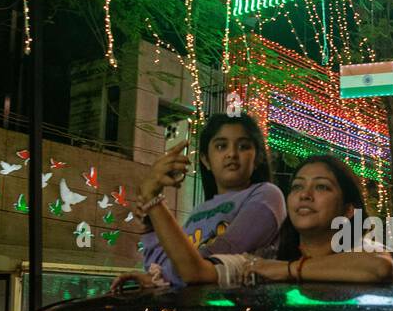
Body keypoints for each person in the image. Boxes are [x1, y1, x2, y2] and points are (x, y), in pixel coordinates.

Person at [144, 153, 393, 286]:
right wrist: (153, 199)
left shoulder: (364, 251)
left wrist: (285, 271)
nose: (305, 196)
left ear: (348, 210)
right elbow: (193, 270)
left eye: (321, 187)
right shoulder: (263, 260)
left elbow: (380, 268)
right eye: (298, 187)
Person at [113, 112, 286, 292]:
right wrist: (149, 226)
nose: (232, 154)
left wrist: (153, 200)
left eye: (243, 146)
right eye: (221, 146)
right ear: (205, 160)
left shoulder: (267, 195)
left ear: (257, 158)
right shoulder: (199, 211)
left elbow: (203, 266)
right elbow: (158, 264)